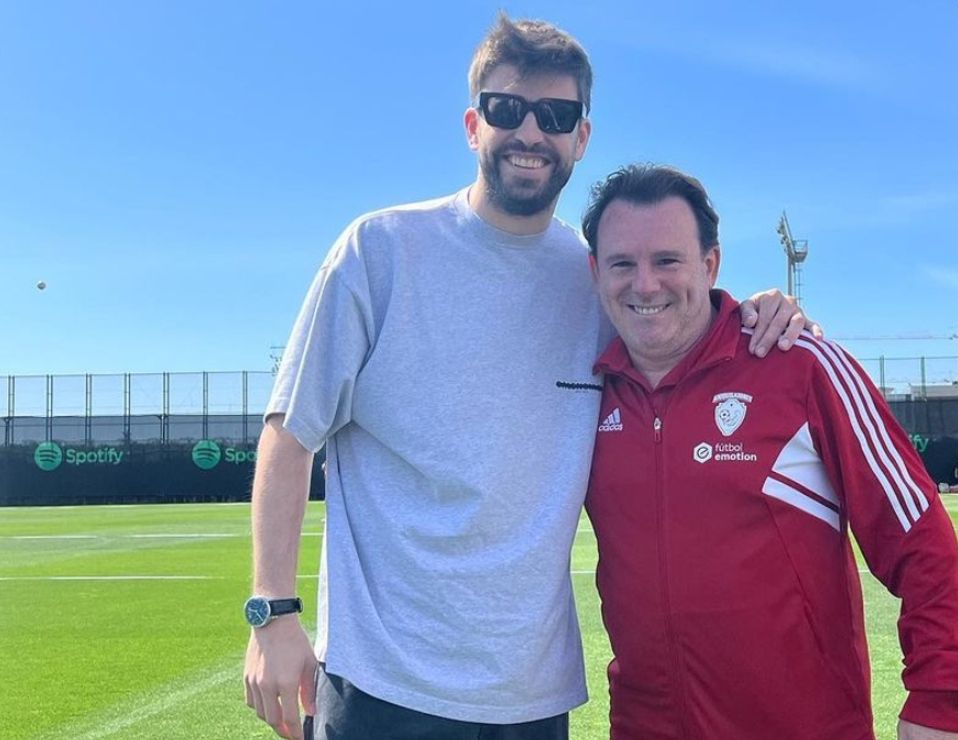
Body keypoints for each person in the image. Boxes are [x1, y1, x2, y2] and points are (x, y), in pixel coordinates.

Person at [242, 15, 811, 740]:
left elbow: (679, 322)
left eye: (556, 115)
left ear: (582, 136)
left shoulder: (596, 281)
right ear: (473, 124)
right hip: (385, 683)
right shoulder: (379, 251)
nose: (531, 133)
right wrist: (272, 611)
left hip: (533, 698)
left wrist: (762, 311)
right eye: (507, 109)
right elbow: (290, 433)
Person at [582, 164, 958, 739]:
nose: (645, 285)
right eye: (623, 263)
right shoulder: (585, 393)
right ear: (596, 272)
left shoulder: (799, 364)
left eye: (667, 260)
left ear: (710, 265)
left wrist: (938, 696)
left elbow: (918, 534)